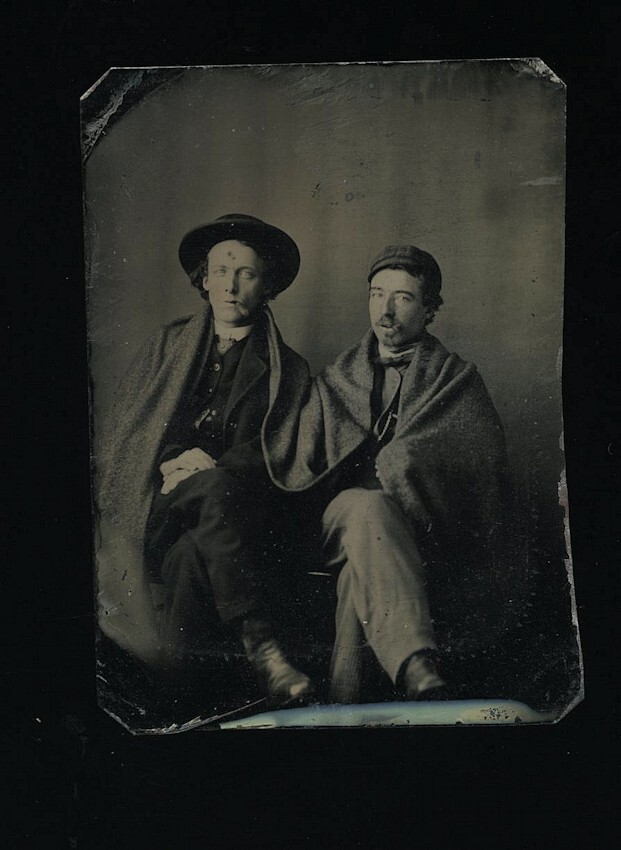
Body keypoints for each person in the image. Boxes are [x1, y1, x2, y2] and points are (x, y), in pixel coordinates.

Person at [263, 244, 510, 703]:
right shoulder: (337, 378)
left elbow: (479, 477)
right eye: (377, 295)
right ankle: (416, 662)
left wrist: (405, 463)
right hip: (331, 526)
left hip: (421, 531)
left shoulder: (457, 380)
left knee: (360, 573)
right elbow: (299, 463)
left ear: (430, 310)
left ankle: (346, 709)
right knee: (366, 508)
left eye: (403, 297)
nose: (386, 310)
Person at [96, 213, 314, 707]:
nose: (230, 286)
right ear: (205, 280)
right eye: (220, 272)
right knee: (201, 509)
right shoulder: (167, 347)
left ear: (266, 286)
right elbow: (131, 433)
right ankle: (261, 645)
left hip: (235, 516)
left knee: (190, 558)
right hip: (157, 505)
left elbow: (280, 452)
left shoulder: (290, 370)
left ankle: (181, 702)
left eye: (246, 274)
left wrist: (214, 468)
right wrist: (171, 461)